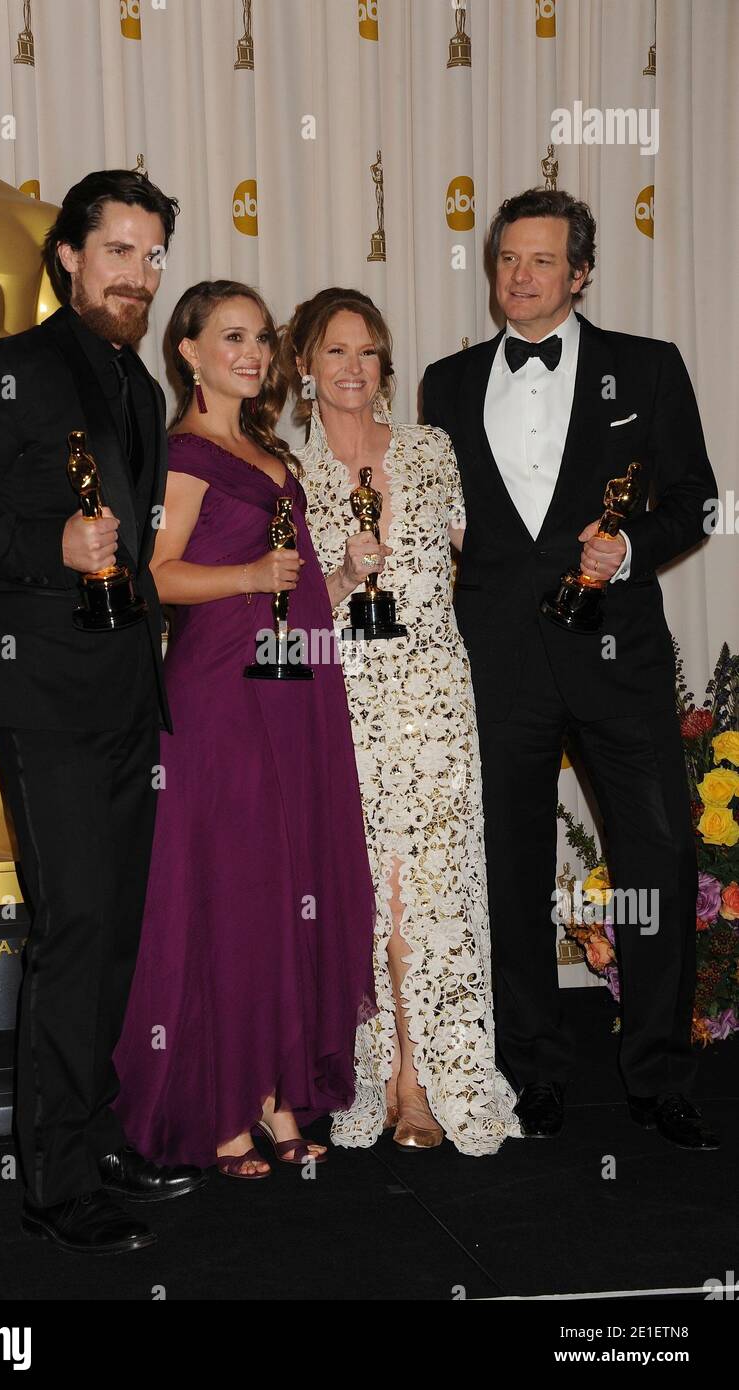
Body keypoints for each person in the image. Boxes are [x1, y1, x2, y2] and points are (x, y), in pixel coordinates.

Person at [0, 170, 206, 1255]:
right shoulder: (4, 370)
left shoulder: (137, 387)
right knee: (75, 929)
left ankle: (97, 1135)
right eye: (118, 251)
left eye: (150, 255)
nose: (137, 274)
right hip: (41, 692)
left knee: (113, 935)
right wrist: (50, 550)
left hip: (128, 692)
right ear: (70, 257)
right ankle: (55, 1180)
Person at [422, 188, 720, 1149]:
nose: (520, 276)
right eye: (507, 258)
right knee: (506, 866)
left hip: (617, 655)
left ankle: (659, 1076)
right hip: (498, 656)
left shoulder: (647, 367)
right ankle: (528, 1070)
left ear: (580, 272)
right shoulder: (446, 381)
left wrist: (627, 551)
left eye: (542, 261)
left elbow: (694, 501)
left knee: (659, 858)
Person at [112, 280, 377, 1178]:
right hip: (220, 692)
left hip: (294, 683)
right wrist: (247, 576)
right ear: (186, 350)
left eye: (261, 338)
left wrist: (336, 577)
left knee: (282, 885)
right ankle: (220, 1109)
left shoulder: (268, 449)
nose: (254, 353)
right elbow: (152, 575)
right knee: (228, 891)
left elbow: (291, 583)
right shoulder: (183, 452)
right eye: (231, 337)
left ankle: (271, 1093)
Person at [279, 288, 519, 1154]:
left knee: (429, 893)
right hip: (336, 699)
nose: (353, 368)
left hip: (432, 700)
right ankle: (369, 1077)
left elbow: (489, 564)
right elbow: (279, 615)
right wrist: (341, 576)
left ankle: (421, 1082)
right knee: (362, 892)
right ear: (302, 367)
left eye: (369, 351)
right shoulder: (285, 474)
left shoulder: (428, 451)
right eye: (335, 351)